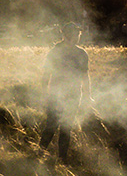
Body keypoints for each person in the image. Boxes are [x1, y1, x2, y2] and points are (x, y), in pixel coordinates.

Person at [38, 23, 92, 163]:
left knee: (66, 128)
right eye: (75, 34)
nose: (77, 36)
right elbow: (46, 75)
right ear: (67, 35)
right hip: (56, 95)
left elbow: (85, 77)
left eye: (77, 34)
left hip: (73, 96)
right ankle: (39, 154)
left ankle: (61, 159)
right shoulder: (55, 51)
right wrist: (44, 94)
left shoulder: (81, 53)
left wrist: (87, 96)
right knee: (51, 126)